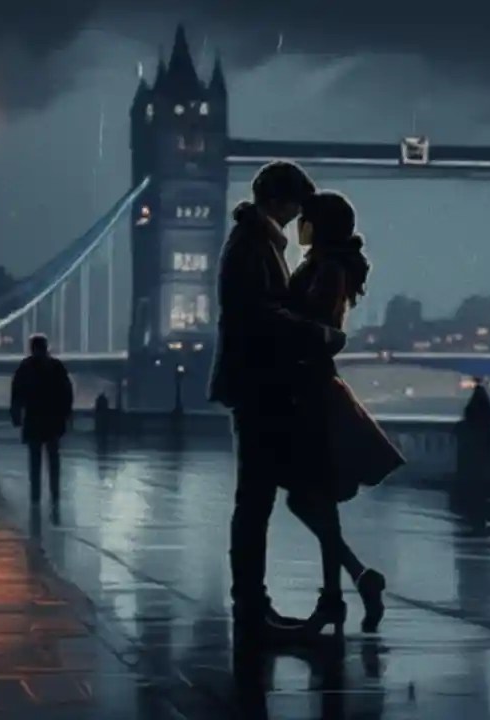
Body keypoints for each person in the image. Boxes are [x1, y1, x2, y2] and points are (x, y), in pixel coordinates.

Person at [207, 161, 347, 644]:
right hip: (258, 384)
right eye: (295, 207)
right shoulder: (253, 244)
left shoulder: (257, 240)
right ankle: (250, 606)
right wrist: (321, 332)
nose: (297, 218)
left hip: (258, 383)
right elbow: (260, 315)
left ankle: (254, 602)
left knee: (261, 499)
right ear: (280, 201)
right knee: (256, 501)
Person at [286, 190, 405, 634]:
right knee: (313, 497)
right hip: (312, 387)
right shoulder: (328, 265)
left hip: (311, 392)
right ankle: (351, 584)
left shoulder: (328, 269)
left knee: (309, 496)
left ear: (320, 225)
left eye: (307, 219)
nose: (300, 227)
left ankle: (341, 593)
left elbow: (318, 324)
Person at [9, 334, 74, 506]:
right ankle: (55, 495)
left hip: (34, 418)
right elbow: (67, 393)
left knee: (35, 460)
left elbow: (17, 393)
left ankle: (35, 496)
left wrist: (16, 415)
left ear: (32, 348)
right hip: (52, 419)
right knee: (53, 460)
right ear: (46, 348)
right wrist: (66, 415)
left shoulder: (25, 367)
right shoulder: (56, 366)